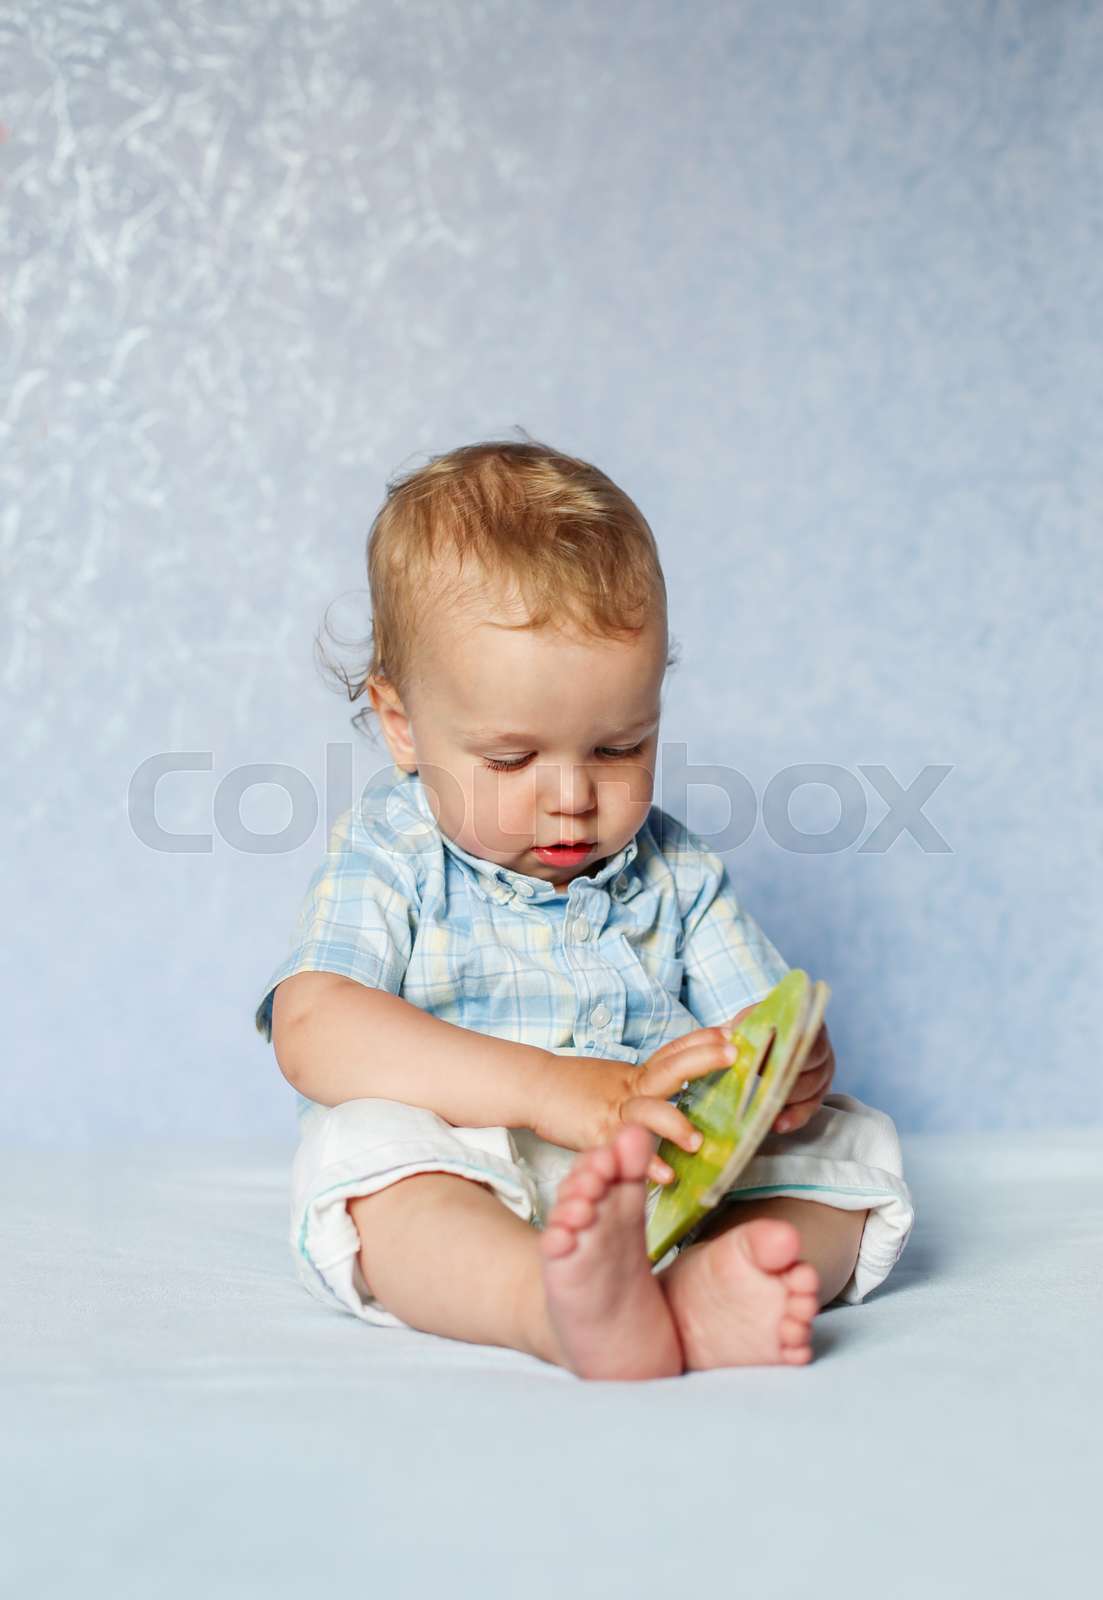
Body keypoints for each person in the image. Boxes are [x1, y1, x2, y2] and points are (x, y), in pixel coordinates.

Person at [253, 436, 915, 1380]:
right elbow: (310, 1027)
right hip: (473, 1169)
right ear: (402, 725)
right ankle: (541, 1305)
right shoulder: (392, 852)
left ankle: (692, 1296)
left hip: (661, 1176)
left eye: (618, 748)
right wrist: (549, 1090)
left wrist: (787, 1071)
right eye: (512, 760)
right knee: (366, 1160)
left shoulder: (674, 868)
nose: (570, 796)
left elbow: (756, 1026)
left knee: (855, 1144)